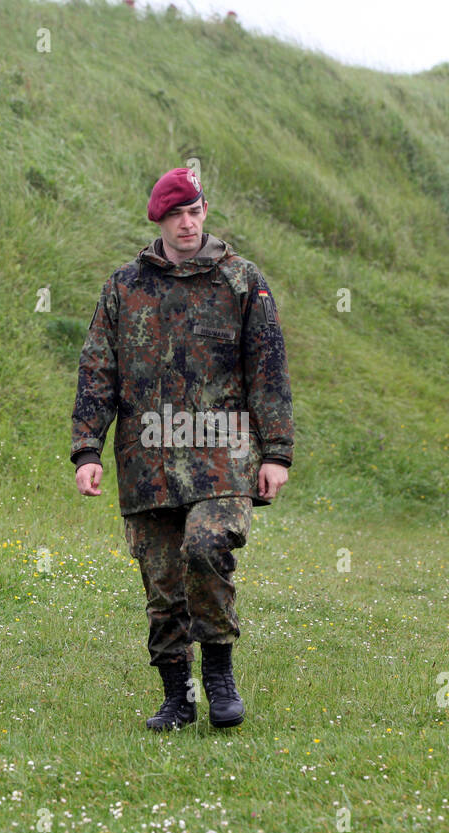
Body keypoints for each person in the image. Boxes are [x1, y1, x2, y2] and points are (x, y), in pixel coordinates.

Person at [71, 166, 294, 730]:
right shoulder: (125, 288)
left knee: (205, 546)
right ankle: (177, 696)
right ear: (160, 221)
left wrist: (277, 453)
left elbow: (267, 371)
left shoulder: (242, 281)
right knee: (163, 582)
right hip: (146, 462)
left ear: (204, 211)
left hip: (222, 456)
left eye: (195, 211)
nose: (188, 223)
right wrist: (87, 450)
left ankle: (219, 674)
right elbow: (98, 369)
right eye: (177, 215)